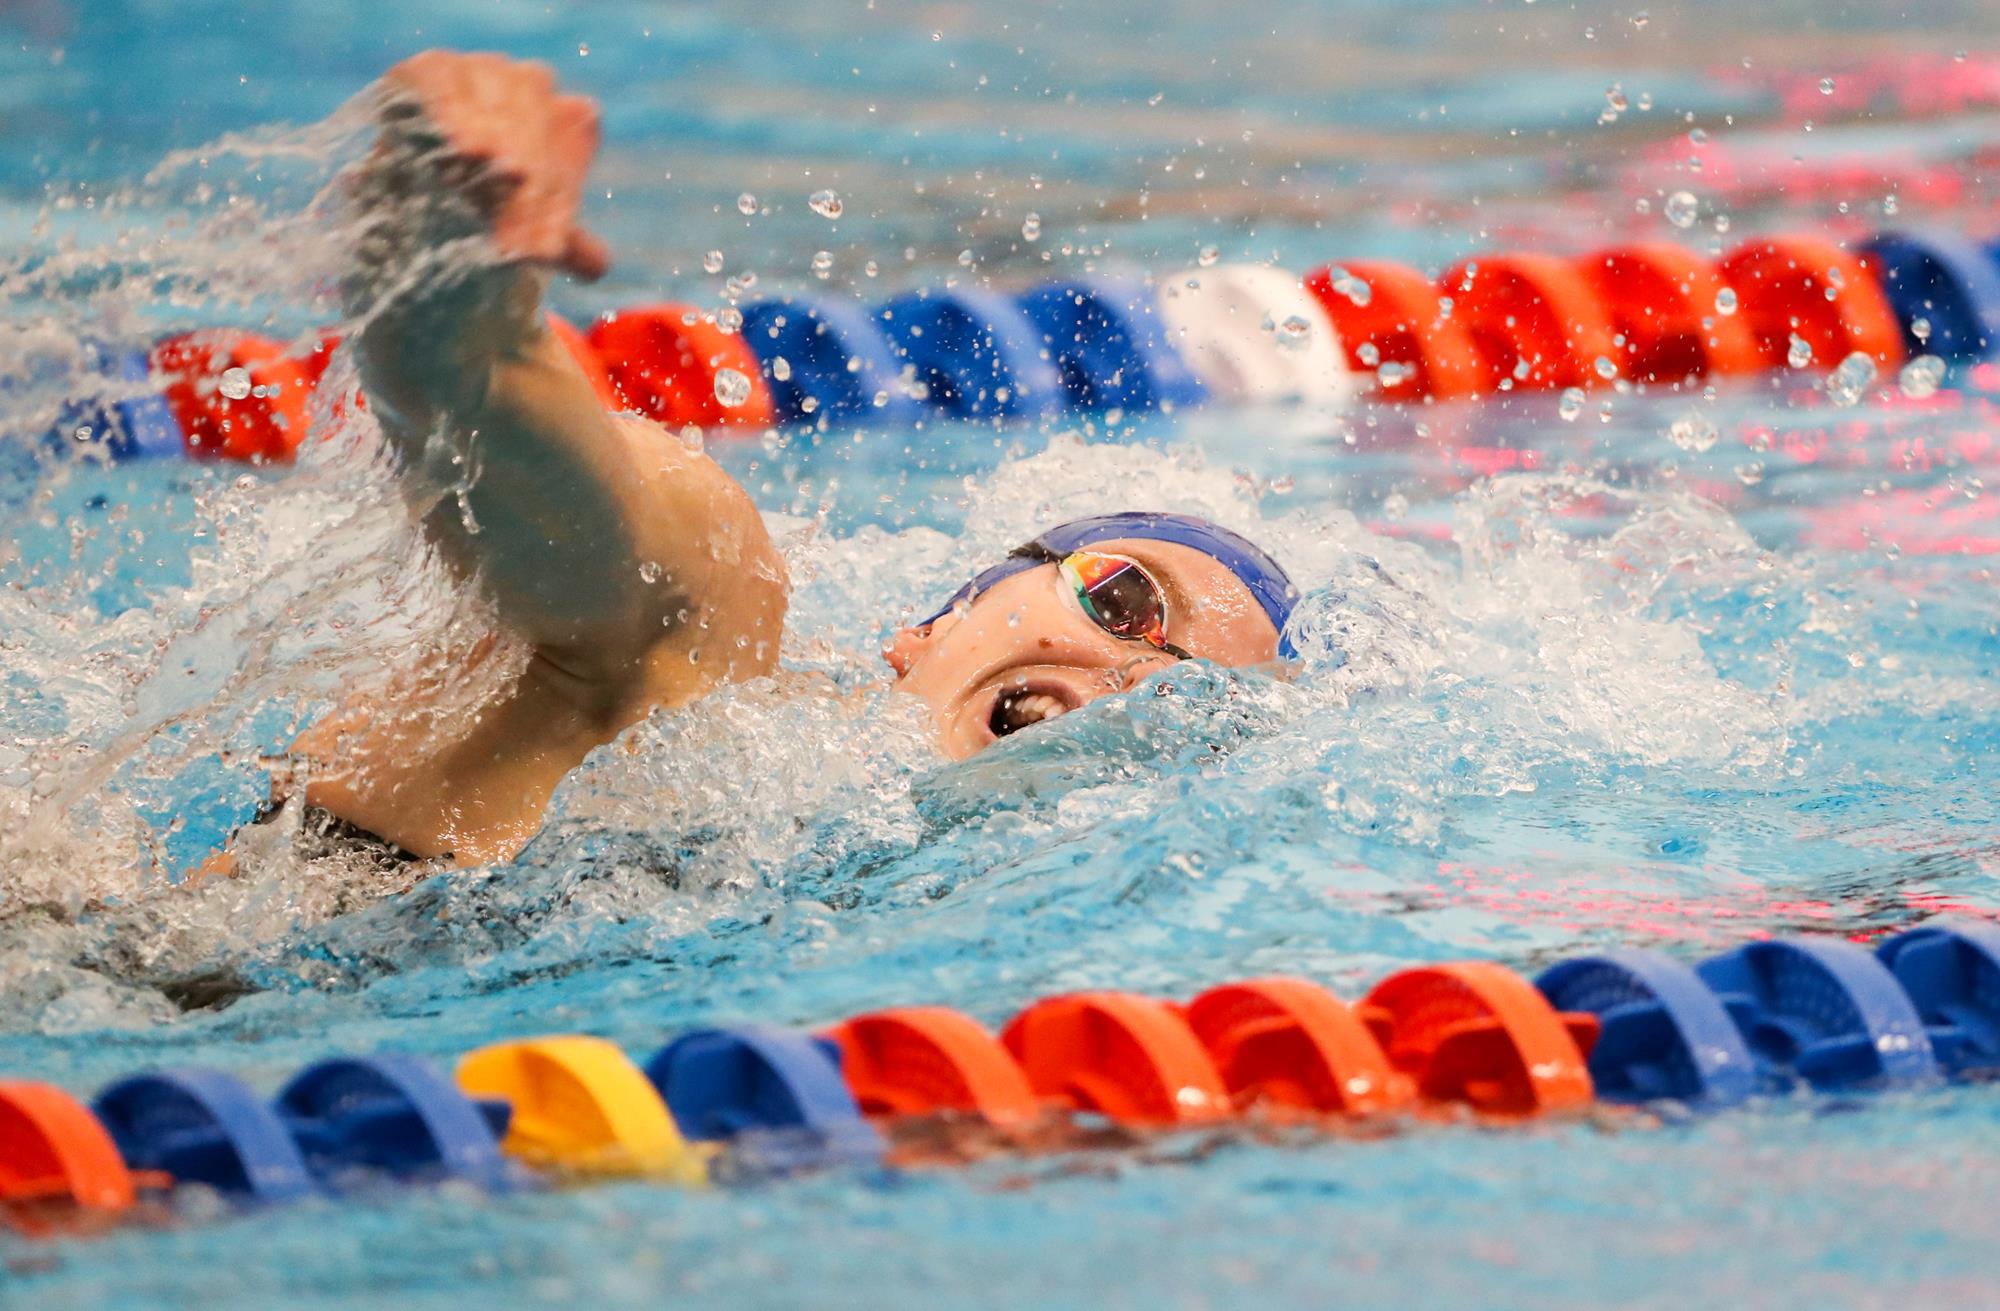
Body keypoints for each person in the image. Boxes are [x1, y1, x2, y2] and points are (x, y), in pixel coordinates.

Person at [266, 50, 1299, 870]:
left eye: (1186, 711)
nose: (1134, 680)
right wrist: (446, 268)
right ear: (928, 627)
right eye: (1125, 601)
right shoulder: (690, 665)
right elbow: (493, 422)